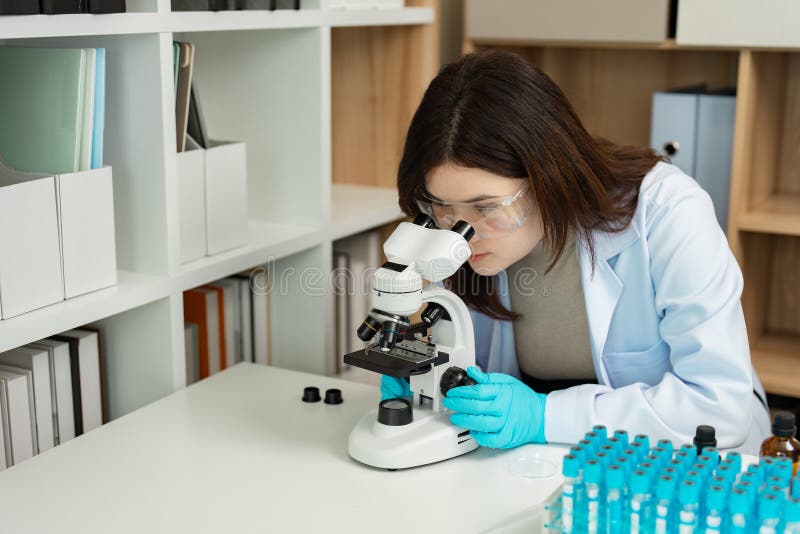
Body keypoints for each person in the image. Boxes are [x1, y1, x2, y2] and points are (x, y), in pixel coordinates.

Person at [380, 50, 770, 453]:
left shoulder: (668, 212)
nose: (462, 235)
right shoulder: (449, 230)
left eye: (484, 208)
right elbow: (475, 378)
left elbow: (718, 407)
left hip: (677, 460)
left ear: (547, 175)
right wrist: (427, 374)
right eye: (442, 207)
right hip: (532, 457)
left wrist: (545, 416)